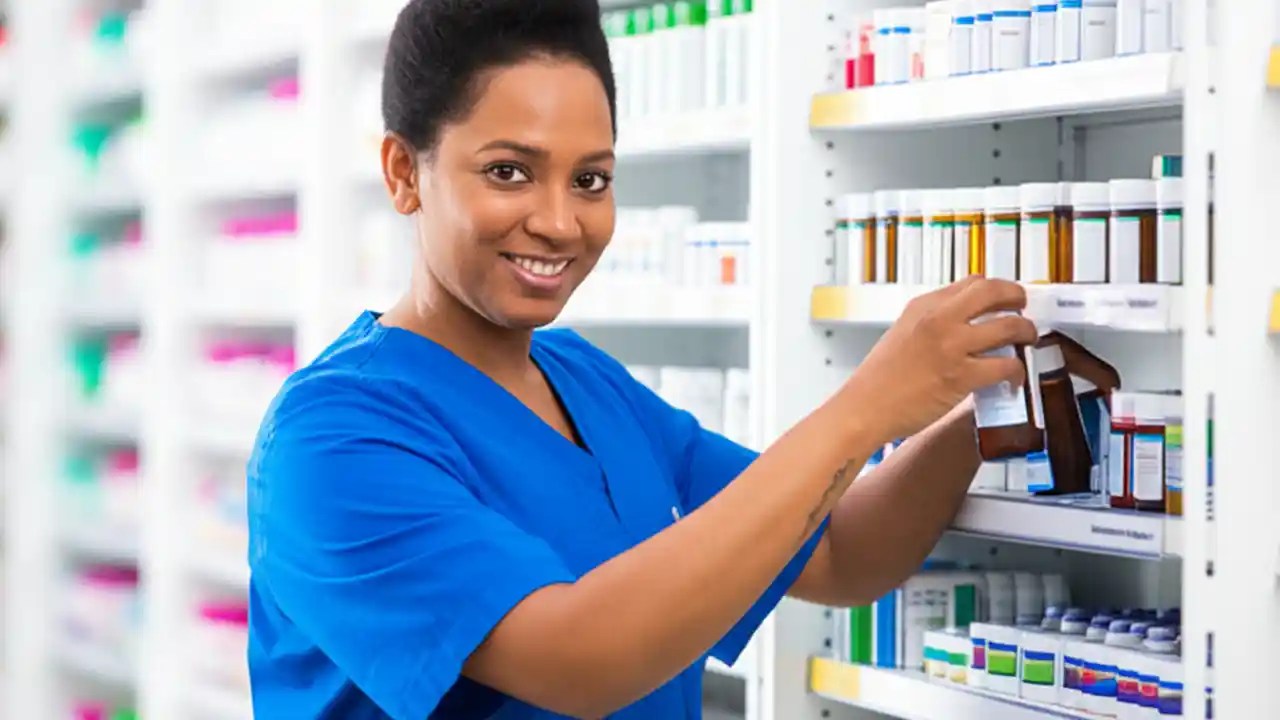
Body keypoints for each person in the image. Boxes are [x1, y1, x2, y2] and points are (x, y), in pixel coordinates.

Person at [245, 0, 1038, 718]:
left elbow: (836, 551)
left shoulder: (587, 383)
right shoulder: (331, 439)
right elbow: (579, 663)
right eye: (508, 172)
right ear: (402, 173)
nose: (560, 222)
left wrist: (984, 405)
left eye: (590, 179)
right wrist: (866, 407)